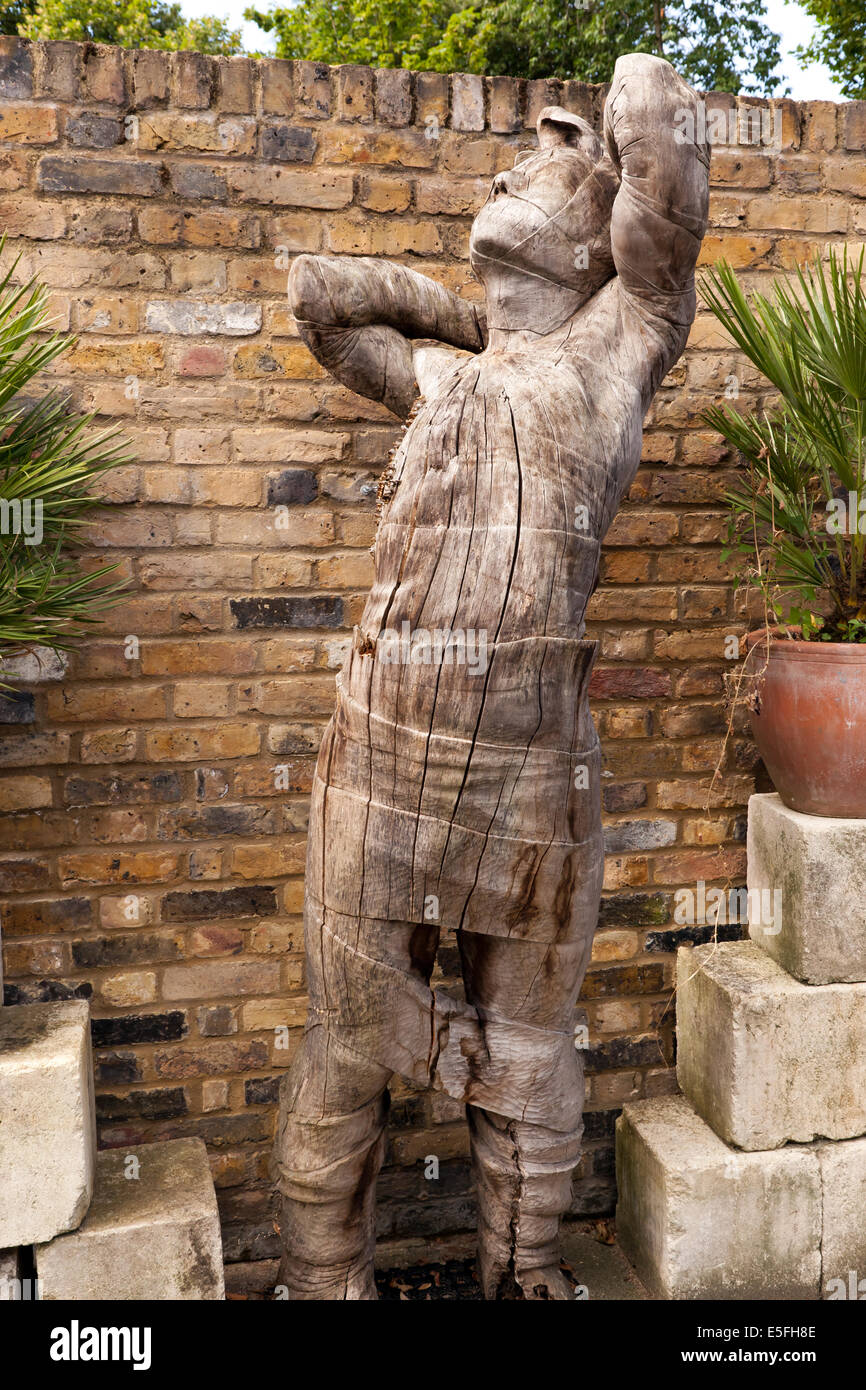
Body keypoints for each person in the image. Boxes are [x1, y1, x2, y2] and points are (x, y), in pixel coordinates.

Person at [275, 52, 709, 1300]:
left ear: (591, 253)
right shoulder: (440, 376)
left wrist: (602, 167)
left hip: (529, 777)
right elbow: (321, 299)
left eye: (549, 171)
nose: (515, 167)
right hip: (377, 749)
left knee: (522, 1056)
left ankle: (520, 1283)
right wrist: (473, 328)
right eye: (519, 161)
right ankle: (323, 1282)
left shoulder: (624, 345)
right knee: (346, 1046)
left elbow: (658, 145)